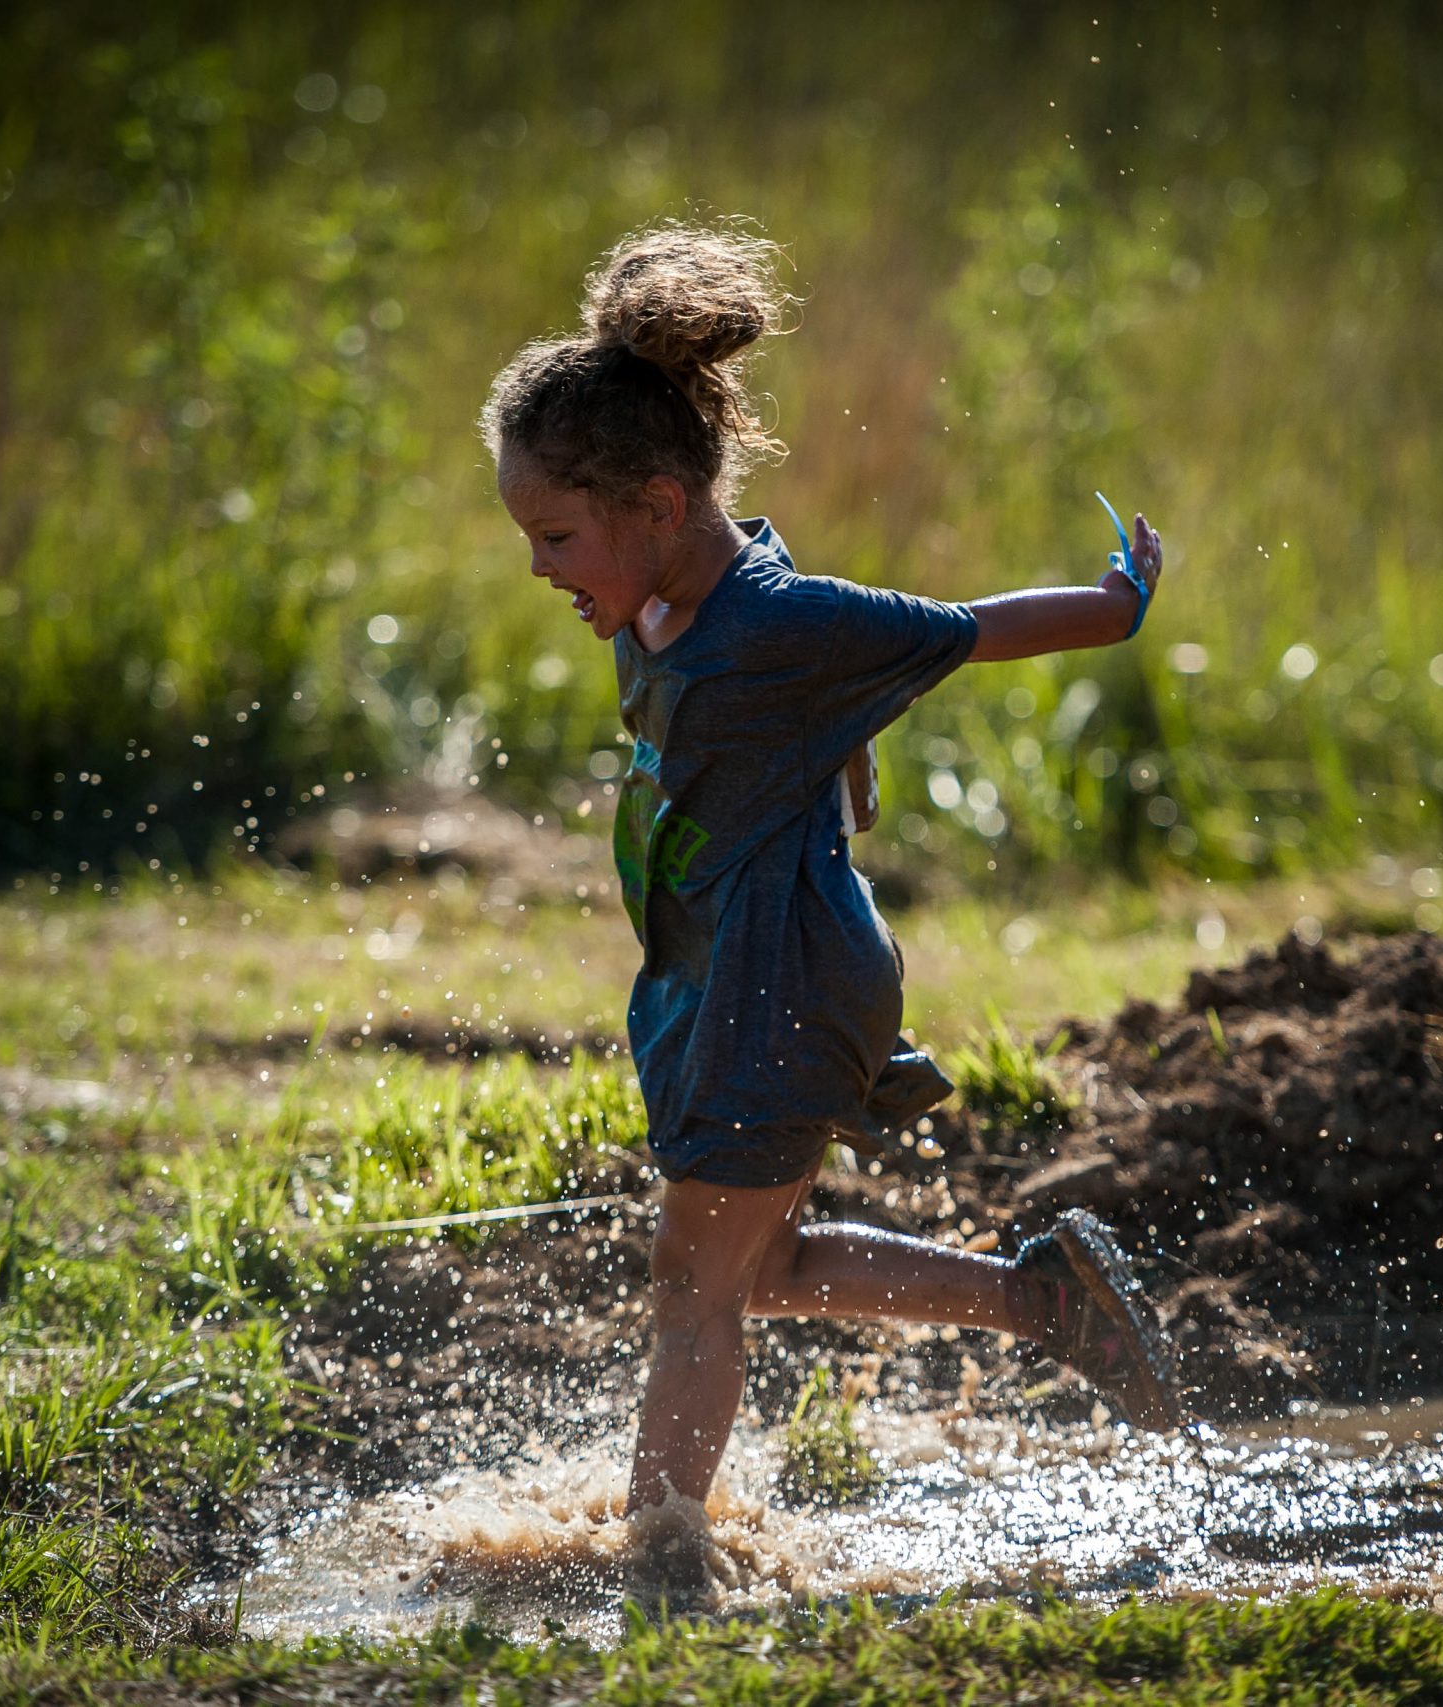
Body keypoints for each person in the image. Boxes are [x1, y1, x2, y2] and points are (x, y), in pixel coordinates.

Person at [479, 220, 1178, 1596]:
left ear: (664, 508)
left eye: (556, 536)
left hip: (777, 979)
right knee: (767, 1263)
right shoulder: (663, 604)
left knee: (695, 1290)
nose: (541, 566)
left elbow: (958, 629)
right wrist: (840, 744)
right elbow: (802, 699)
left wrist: (1113, 609)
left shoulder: (779, 619)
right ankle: (1041, 1301)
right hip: (719, 972)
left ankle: (663, 1554)